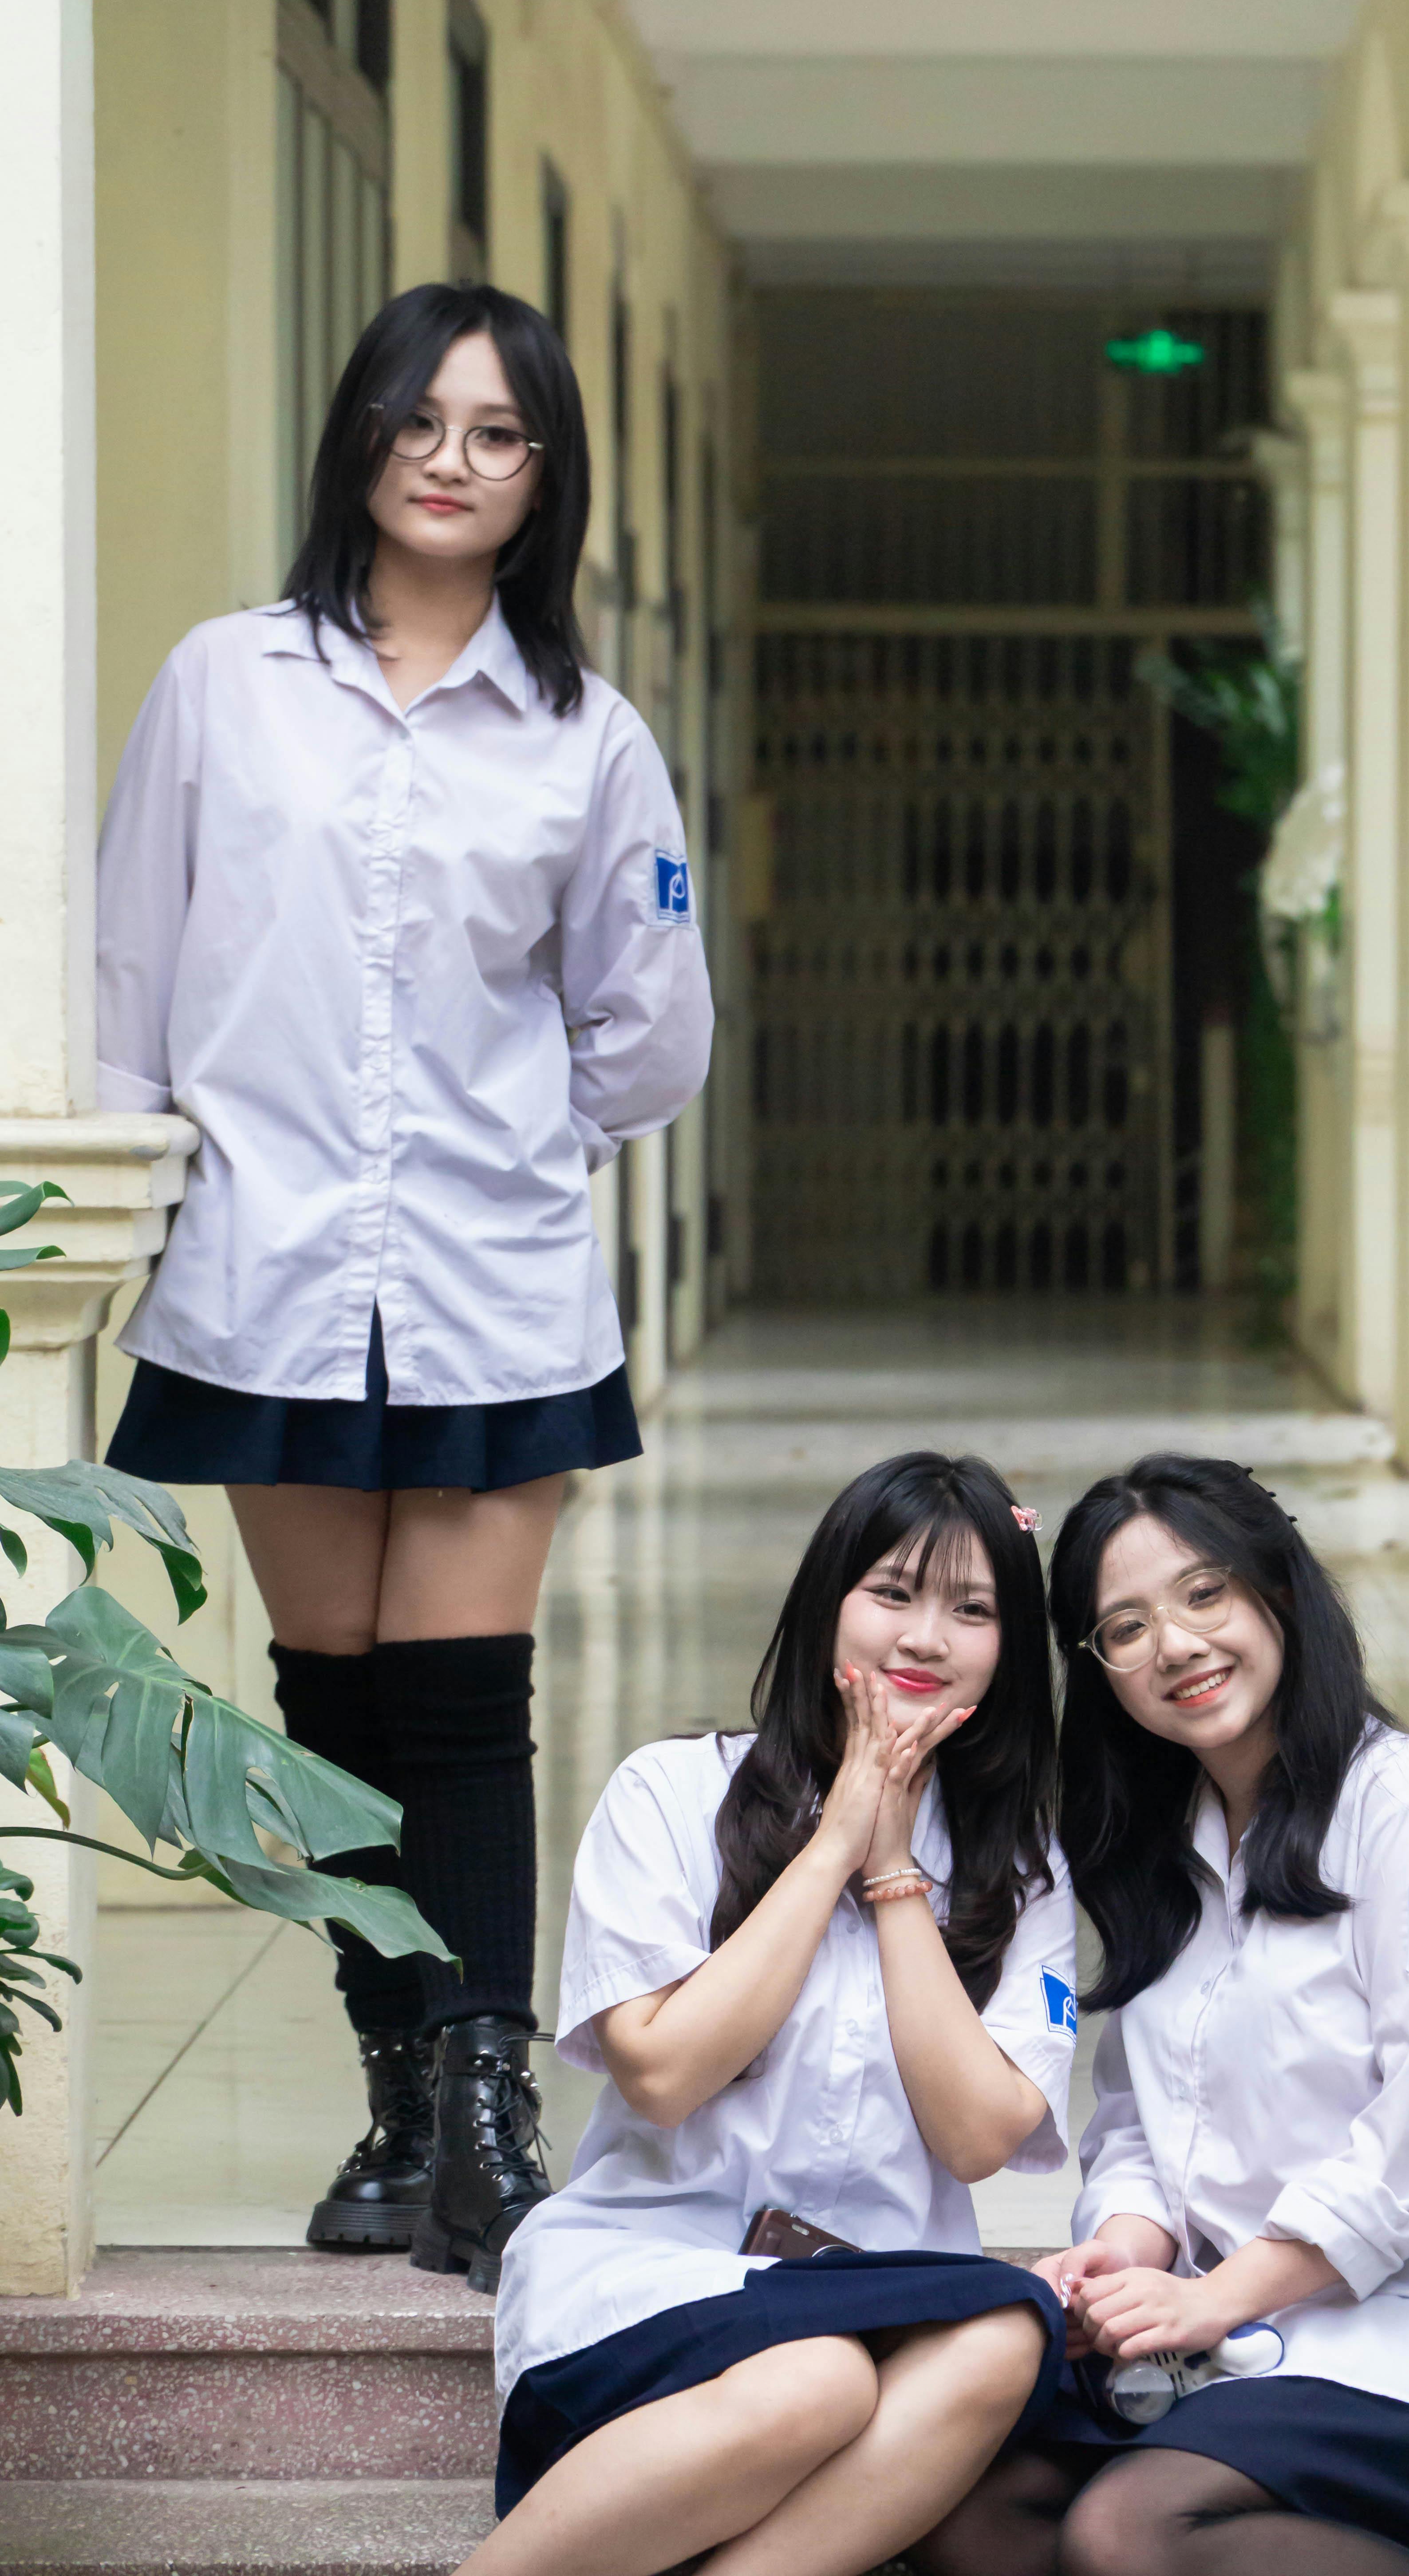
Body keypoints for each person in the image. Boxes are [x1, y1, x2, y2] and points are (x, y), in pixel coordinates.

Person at [95, 281, 713, 2288]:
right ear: (360, 435)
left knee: (457, 1703)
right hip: (263, 1264)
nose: (452, 457)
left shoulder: (583, 735)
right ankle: (402, 2118)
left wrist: (517, 1127)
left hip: (486, 1273)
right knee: (328, 1712)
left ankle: (484, 2111)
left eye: (499, 432)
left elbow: (647, 1031)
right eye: (422, 418)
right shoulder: (222, 683)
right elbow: (132, 970)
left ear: (545, 481)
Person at [914, 1454, 1409, 2576]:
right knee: (959, 2503)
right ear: (1099, 1670)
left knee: (1126, 2531)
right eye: (1122, 1629)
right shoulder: (1158, 1855)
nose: (1174, 1645)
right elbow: (1135, 2119)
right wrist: (1121, 2255)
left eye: (1202, 1593)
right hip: (1240, 2341)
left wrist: (1212, 2296)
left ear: (1277, 1588)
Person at [476, 1453, 1077, 2576]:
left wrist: (896, 1878)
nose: (923, 1638)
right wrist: (841, 1831)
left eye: (972, 1610)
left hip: (884, 2292)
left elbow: (979, 2137)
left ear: (1007, 1651)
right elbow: (659, 2073)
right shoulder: (670, 1793)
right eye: (891, 1593)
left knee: (1002, 2338)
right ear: (824, 1607)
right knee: (815, 2374)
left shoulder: (1018, 1870)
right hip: (650, 2278)